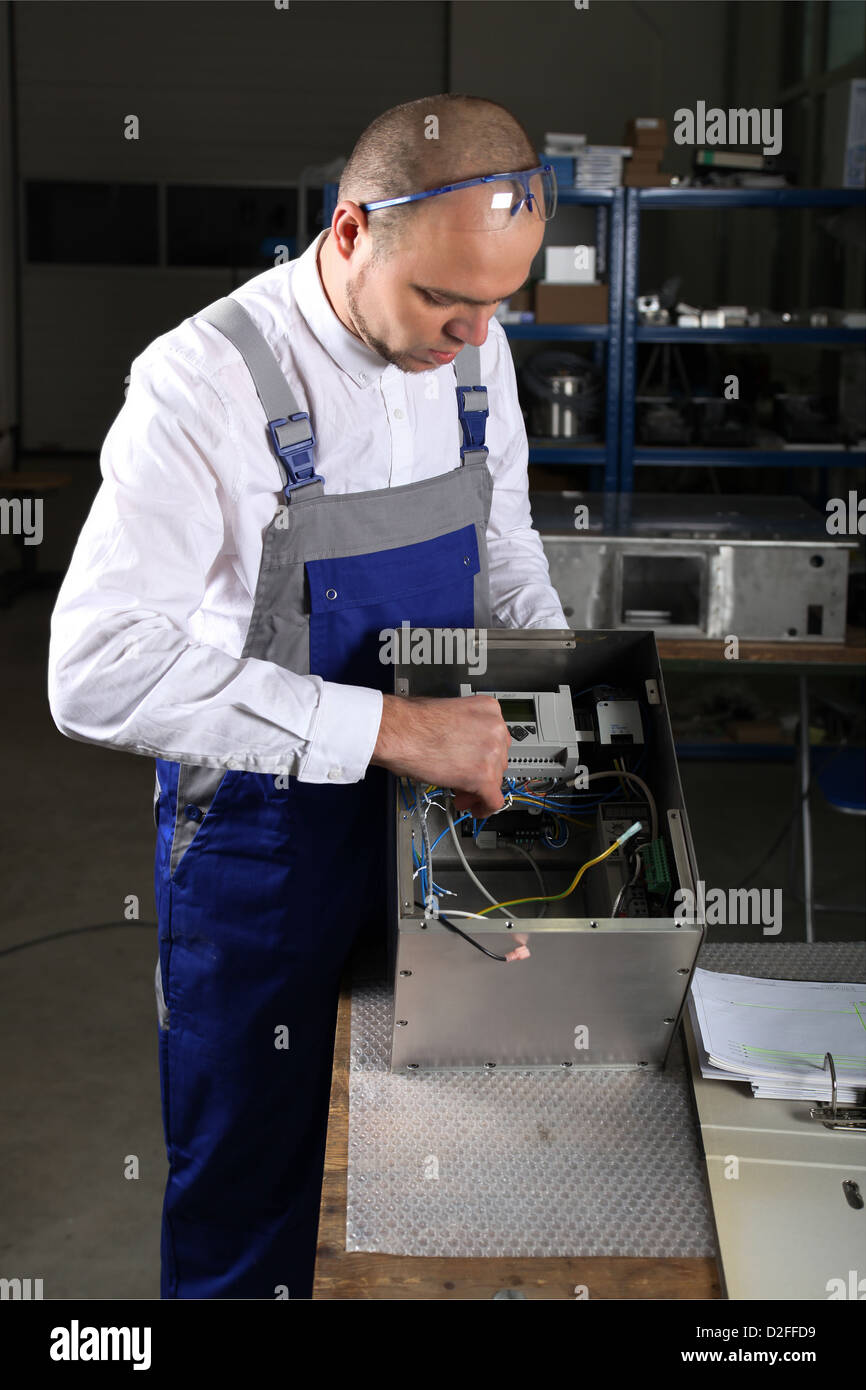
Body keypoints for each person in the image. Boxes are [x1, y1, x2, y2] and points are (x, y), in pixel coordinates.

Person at [47, 92, 569, 1300]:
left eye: (497, 303)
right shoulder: (201, 382)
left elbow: (507, 553)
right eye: (442, 300)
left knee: (443, 1152)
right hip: (258, 854)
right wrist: (393, 729)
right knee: (251, 1185)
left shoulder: (475, 352)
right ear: (348, 233)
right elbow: (96, 665)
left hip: (436, 827)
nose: (470, 335)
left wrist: (555, 725)